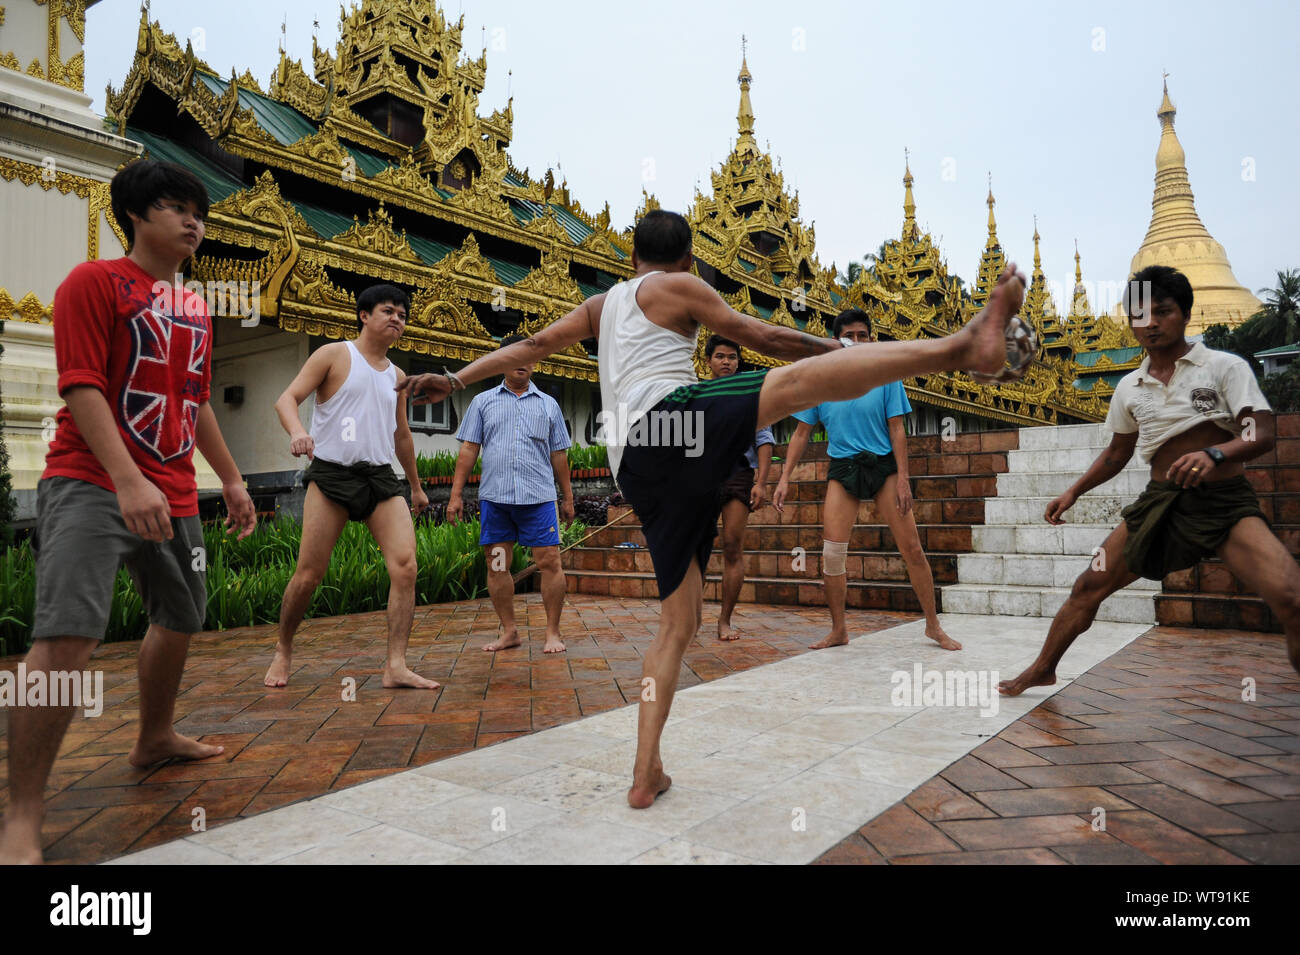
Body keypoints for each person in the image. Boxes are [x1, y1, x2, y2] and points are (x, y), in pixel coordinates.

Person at [400, 209, 1026, 808]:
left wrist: (455, 380)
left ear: (632, 255)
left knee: (678, 624)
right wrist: (838, 350)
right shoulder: (680, 285)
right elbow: (762, 336)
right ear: (687, 258)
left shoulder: (602, 304)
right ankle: (958, 348)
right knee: (797, 383)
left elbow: (531, 345)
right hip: (674, 425)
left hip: (637, 468)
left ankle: (646, 773)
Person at [0, 159, 257, 864]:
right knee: (67, 636)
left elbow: (197, 399)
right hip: (90, 478)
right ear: (136, 216)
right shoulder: (93, 283)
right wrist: (125, 480)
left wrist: (231, 480)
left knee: (181, 613)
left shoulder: (196, 306)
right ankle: (22, 813)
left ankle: (153, 736)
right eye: (175, 207)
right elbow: (81, 384)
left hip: (175, 488)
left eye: (198, 210)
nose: (193, 221)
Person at [1000, 265, 1300, 696]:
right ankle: (1043, 668)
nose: (1151, 323)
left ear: (1186, 315)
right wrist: (1072, 491)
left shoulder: (1223, 367)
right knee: (1089, 585)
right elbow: (1116, 454)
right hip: (1160, 503)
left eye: (1163, 311)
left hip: (1223, 503)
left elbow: (1262, 433)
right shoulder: (1129, 387)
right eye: (1140, 315)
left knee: (1291, 598)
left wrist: (1215, 453)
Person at [263, 284, 436, 690]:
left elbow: (402, 434)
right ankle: (283, 649)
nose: (397, 319)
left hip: (379, 479)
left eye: (403, 315)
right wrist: (297, 432)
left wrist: (415, 486)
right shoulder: (334, 355)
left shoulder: (397, 375)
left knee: (405, 566)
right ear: (364, 315)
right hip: (332, 475)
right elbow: (286, 399)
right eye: (389, 311)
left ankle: (395, 665)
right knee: (309, 574)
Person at [773, 308, 959, 651]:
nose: (856, 342)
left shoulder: (886, 375)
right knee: (832, 555)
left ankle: (933, 626)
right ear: (836, 342)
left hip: (883, 466)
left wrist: (904, 478)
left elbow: (897, 428)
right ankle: (839, 629)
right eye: (848, 337)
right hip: (843, 468)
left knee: (912, 548)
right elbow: (801, 433)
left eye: (862, 335)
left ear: (871, 339)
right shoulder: (821, 379)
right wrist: (784, 477)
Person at [448, 334, 575, 654]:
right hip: (496, 499)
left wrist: (568, 496)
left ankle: (552, 633)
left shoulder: (549, 405)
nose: (520, 362)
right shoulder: (482, 402)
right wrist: (455, 495)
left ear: (534, 362)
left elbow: (559, 454)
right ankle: (510, 631)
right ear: (501, 359)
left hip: (539, 499)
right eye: (512, 355)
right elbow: (468, 449)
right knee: (497, 565)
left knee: (549, 563)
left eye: (526, 356)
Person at [705, 334, 775, 641]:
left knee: (732, 546)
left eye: (732, 357)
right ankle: (686, 617)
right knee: (695, 548)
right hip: (701, 477)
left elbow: (764, 439)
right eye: (720, 356)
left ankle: (725, 620)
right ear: (708, 361)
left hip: (739, 474)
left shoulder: (750, 395)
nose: (726, 362)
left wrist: (761, 482)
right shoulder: (697, 394)